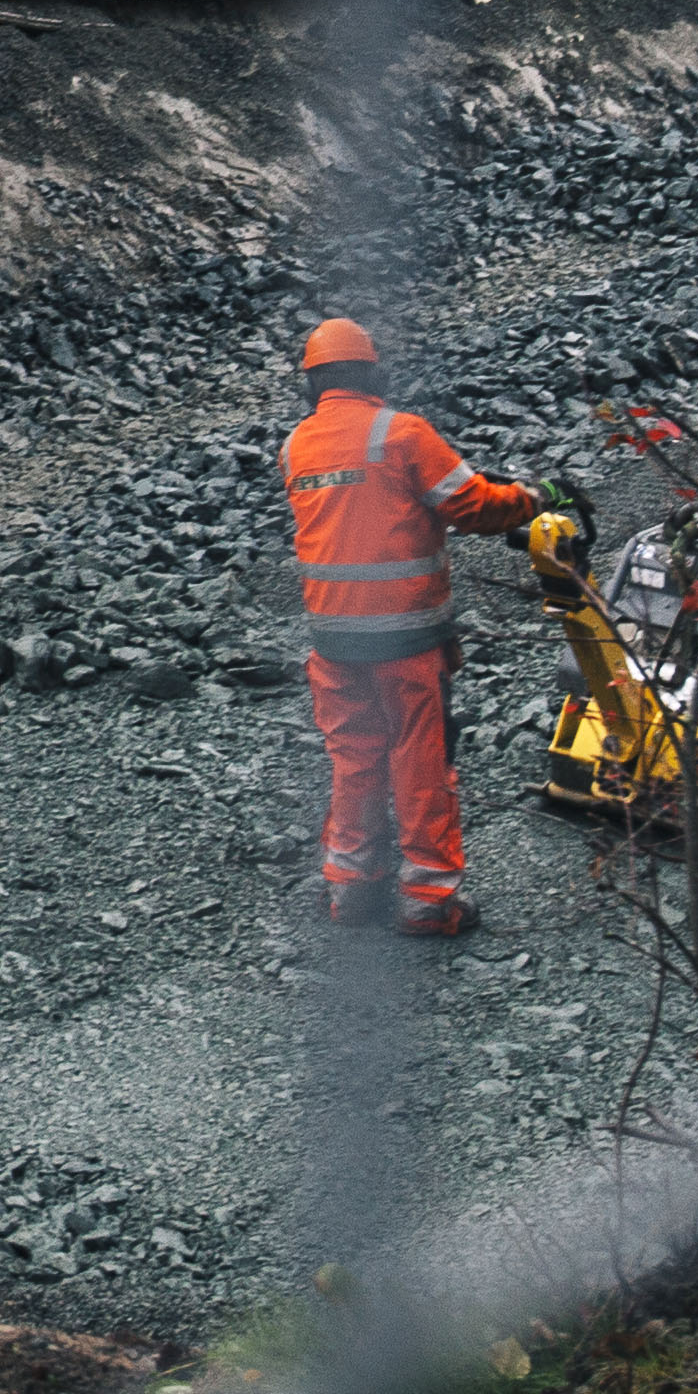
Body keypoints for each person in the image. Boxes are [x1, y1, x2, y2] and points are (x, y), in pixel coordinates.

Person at [283, 316, 536, 941]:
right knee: (420, 761)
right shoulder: (401, 433)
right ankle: (426, 900)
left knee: (355, 759)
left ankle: (350, 889)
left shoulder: (298, 446)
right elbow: (473, 504)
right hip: (404, 640)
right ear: (374, 373)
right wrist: (535, 497)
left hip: (333, 642)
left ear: (311, 384)